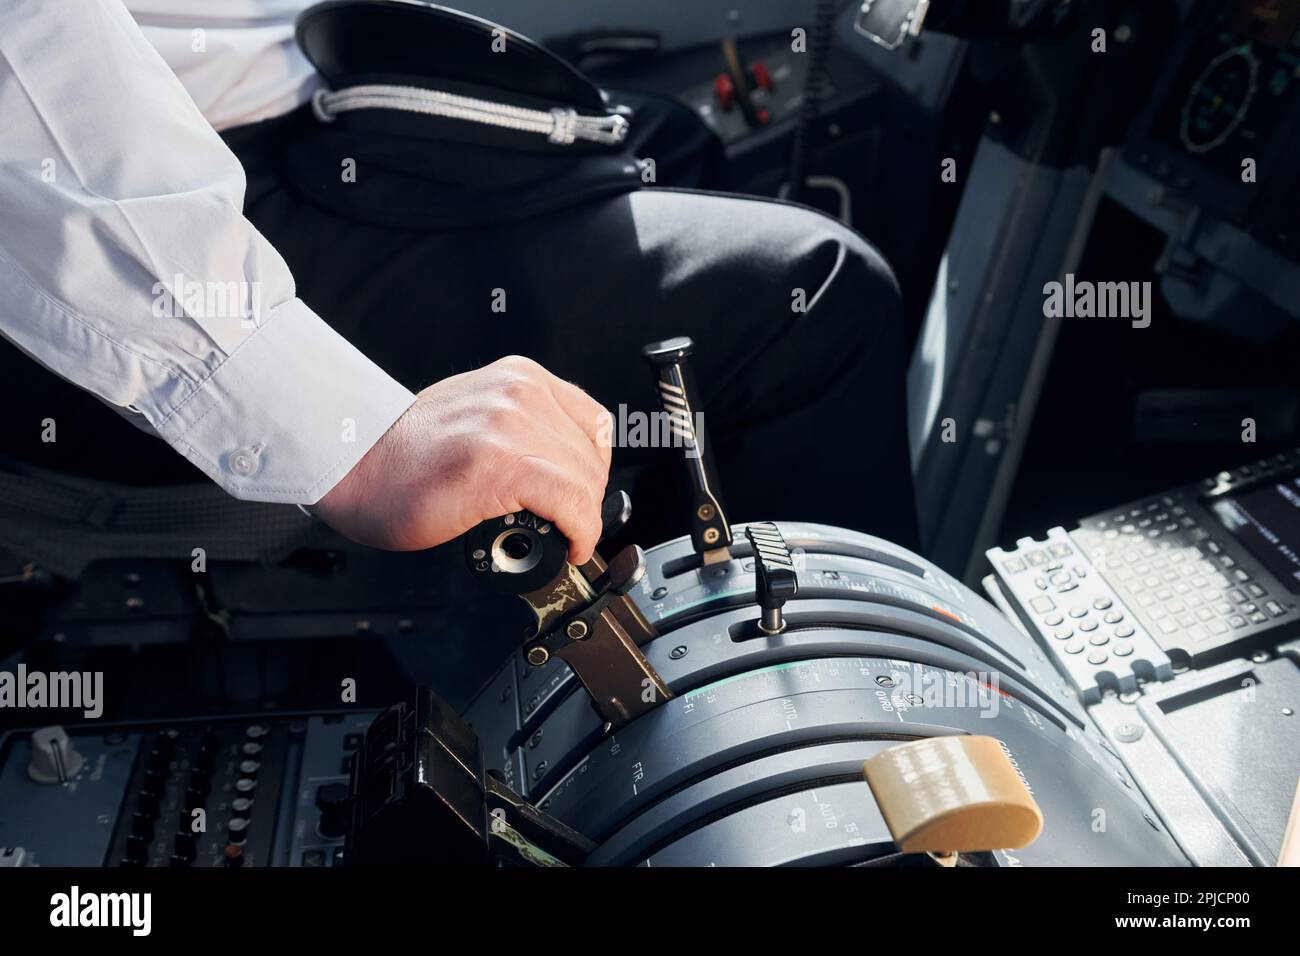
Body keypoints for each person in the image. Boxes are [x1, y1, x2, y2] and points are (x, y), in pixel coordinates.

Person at [0, 0, 918, 571]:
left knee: (674, 141)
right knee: (820, 299)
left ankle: (673, 635)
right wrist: (348, 437)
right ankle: (859, 798)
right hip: (142, 224)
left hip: (297, 101)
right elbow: (32, 76)